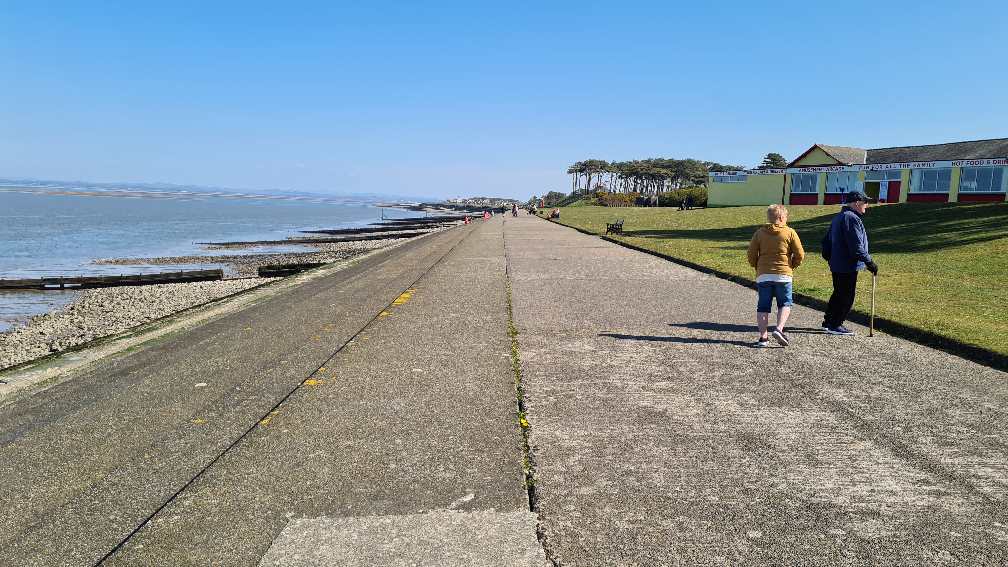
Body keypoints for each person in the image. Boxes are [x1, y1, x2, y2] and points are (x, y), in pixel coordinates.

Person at [747, 204, 805, 347]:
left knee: (763, 306)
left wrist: (757, 266)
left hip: (764, 274)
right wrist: (792, 265)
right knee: (785, 303)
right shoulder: (790, 232)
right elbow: (800, 254)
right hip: (783, 274)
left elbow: (751, 254)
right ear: (781, 217)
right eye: (786, 217)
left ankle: (763, 338)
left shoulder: (759, 233)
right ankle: (779, 329)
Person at [821, 191, 878, 335]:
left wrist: (830, 258)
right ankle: (835, 324)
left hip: (838, 263)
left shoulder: (839, 216)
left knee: (838, 293)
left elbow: (826, 242)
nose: (867, 205)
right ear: (857, 203)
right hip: (846, 265)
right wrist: (869, 262)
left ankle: (828, 322)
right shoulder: (851, 218)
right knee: (846, 296)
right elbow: (856, 246)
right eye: (865, 202)